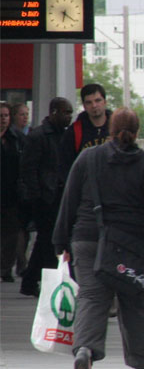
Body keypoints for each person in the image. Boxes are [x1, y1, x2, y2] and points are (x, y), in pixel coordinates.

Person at [53, 108, 144, 369]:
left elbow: (69, 200)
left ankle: (86, 350)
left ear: (110, 130)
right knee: (135, 300)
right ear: (137, 133)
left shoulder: (88, 158)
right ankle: (143, 364)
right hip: (131, 245)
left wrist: (60, 241)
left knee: (91, 296)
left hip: (88, 239)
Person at [17, 97, 74, 296]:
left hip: (59, 196)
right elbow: (28, 168)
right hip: (45, 198)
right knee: (48, 241)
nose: (69, 117)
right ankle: (42, 282)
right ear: (54, 112)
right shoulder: (38, 136)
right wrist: (37, 195)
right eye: (66, 112)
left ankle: (30, 281)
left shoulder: (65, 136)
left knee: (46, 241)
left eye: (70, 113)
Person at [59, 83, 112, 183]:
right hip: (85, 188)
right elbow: (65, 167)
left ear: (105, 102)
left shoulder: (117, 129)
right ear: (84, 106)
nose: (94, 105)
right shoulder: (74, 132)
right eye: (89, 102)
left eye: (98, 100)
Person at [1, 102, 24, 281]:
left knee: (11, 233)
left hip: (11, 193)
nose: (3, 119)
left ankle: (6, 268)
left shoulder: (16, 138)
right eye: (0, 116)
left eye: (6, 116)